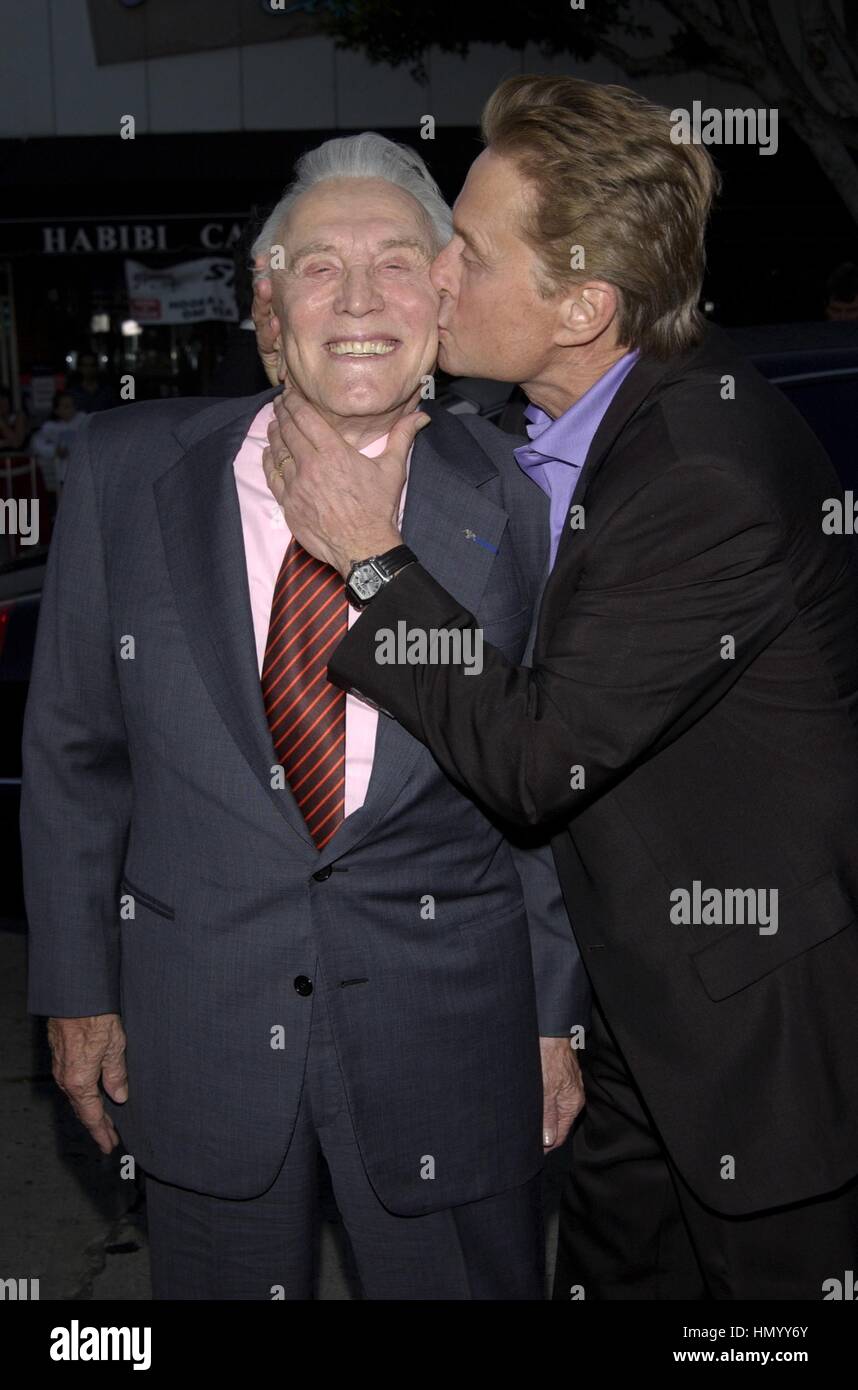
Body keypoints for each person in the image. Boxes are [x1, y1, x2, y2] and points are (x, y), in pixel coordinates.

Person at [261, 76, 858, 1300]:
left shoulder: (696, 475)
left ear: (584, 303)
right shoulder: (602, 422)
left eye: (462, 256)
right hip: (653, 1016)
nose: (427, 276)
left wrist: (369, 560)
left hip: (756, 1045)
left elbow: (541, 760)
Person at [21, 133, 587, 1302]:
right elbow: (76, 757)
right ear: (266, 306)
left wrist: (554, 1015)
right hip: (201, 1032)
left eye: (395, 261)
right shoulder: (129, 474)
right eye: (318, 265)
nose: (360, 297)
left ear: (444, 295)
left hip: (454, 1032)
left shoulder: (522, 503)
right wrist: (77, 987)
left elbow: (549, 790)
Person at [29, 389, 86, 491]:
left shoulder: (83, 419)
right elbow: (36, 443)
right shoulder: (50, 427)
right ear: (56, 410)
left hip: (84, 472)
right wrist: (54, 450)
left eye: (72, 405)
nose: (70, 409)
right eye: (65, 407)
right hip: (63, 475)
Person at [0, 384, 29, 450]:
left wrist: (2, 423)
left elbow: (17, 443)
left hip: (17, 457)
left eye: (4, 399)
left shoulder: (19, 416)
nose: (2, 403)